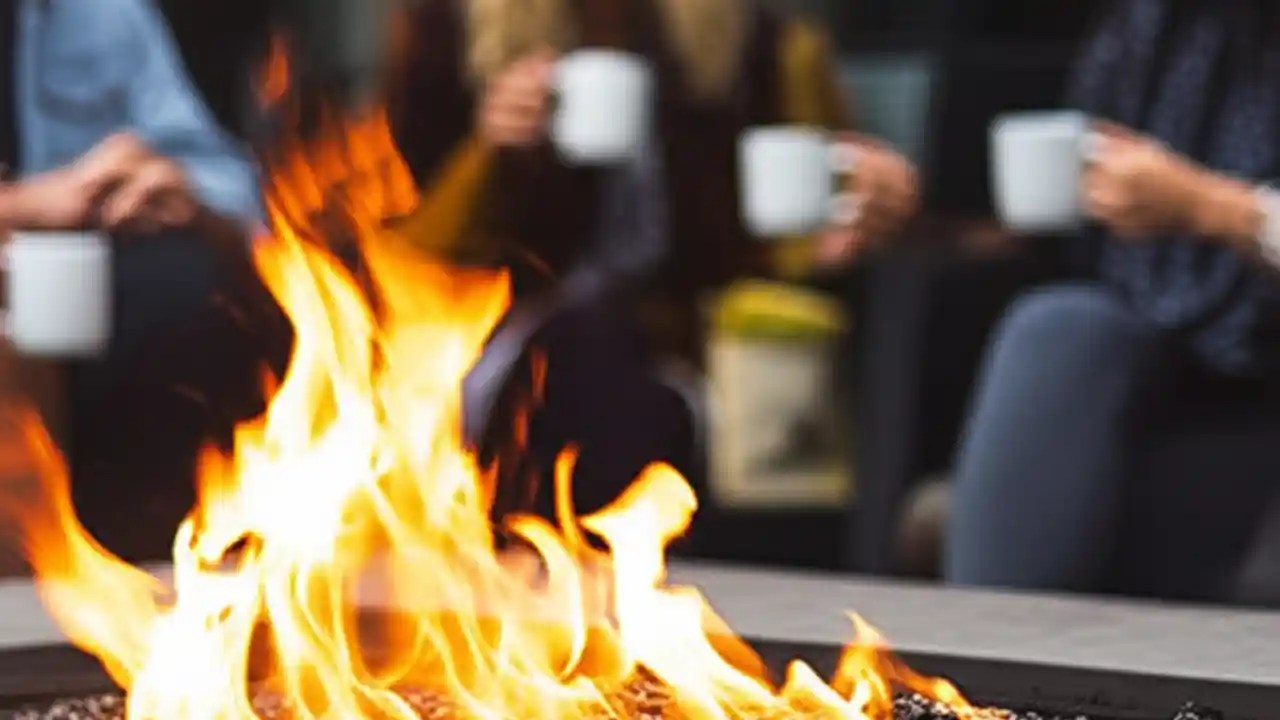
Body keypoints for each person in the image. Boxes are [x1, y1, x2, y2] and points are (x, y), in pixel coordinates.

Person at [391, 0, 917, 516]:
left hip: (700, 350)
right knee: (586, 366)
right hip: (502, 341)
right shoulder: (450, 32)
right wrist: (490, 152)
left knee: (626, 389)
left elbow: (788, 222)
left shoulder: (760, 45)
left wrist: (873, 204)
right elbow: (399, 255)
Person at [945, 0, 1280, 599]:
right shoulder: (1154, 28)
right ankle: (989, 639)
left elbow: (1205, 203)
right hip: (1157, 335)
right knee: (1060, 332)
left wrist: (1212, 206)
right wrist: (912, 219)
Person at [1, 0, 271, 560]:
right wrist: (24, 206)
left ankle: (153, 574)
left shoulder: (95, 13)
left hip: (95, 299)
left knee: (191, 287)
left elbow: (232, 190)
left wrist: (178, 191)